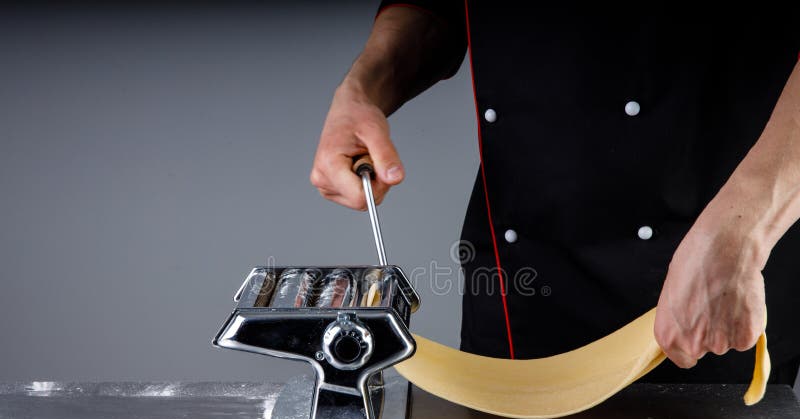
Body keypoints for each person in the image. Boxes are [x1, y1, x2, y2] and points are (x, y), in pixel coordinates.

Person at [310, 2, 800, 385]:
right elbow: (434, 10)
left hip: (720, 258)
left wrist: (743, 233)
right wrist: (363, 87)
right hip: (519, 281)